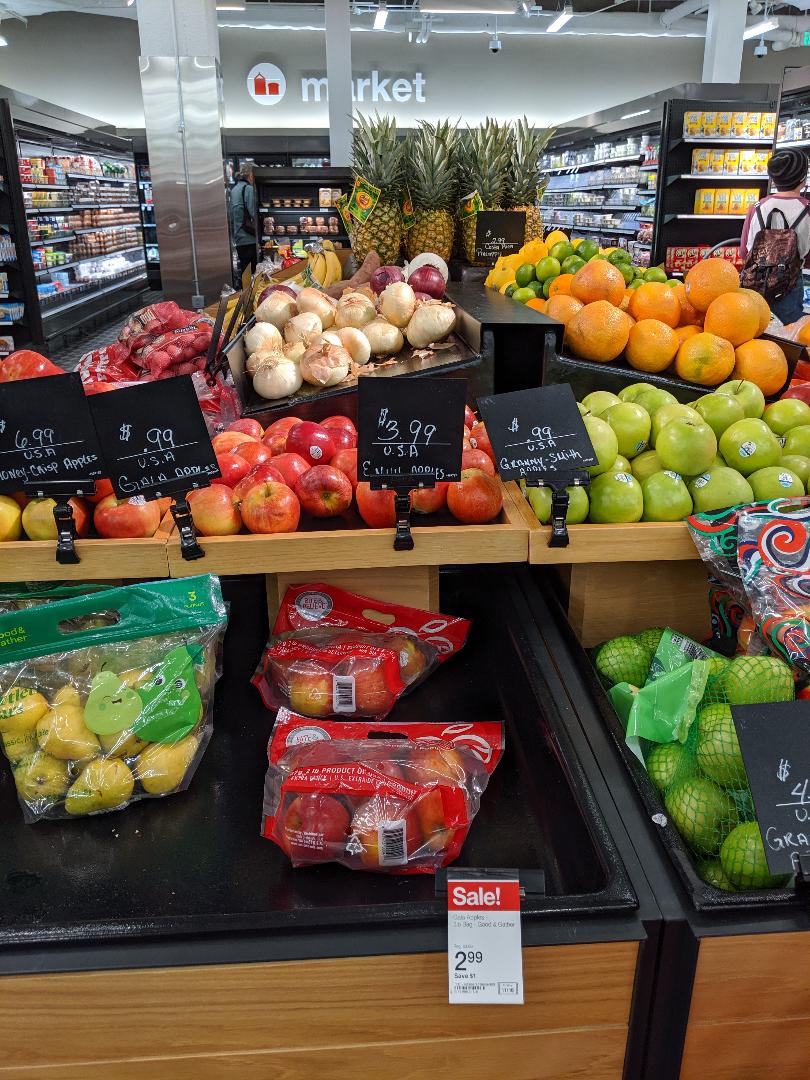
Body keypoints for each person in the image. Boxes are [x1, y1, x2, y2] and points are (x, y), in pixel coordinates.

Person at [740, 148, 810, 324]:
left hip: (756, 282)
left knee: (756, 328)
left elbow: (744, 252)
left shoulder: (757, 207)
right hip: (790, 282)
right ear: (802, 179)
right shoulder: (807, 209)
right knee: (789, 334)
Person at [230, 164, 257, 279]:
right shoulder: (248, 189)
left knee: (245, 274)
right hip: (249, 238)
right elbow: (253, 212)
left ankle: (245, 295)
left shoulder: (235, 189)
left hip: (239, 238)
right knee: (253, 275)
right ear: (250, 175)